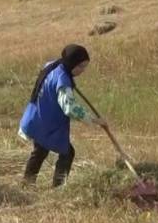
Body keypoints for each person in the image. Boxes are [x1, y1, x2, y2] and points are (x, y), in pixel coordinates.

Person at [18, 45, 108, 188]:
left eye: (84, 67)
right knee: (67, 153)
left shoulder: (53, 65)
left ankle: (27, 184)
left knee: (40, 151)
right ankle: (58, 187)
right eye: (80, 67)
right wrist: (95, 120)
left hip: (37, 117)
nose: (82, 71)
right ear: (72, 63)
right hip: (46, 122)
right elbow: (70, 108)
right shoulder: (63, 80)